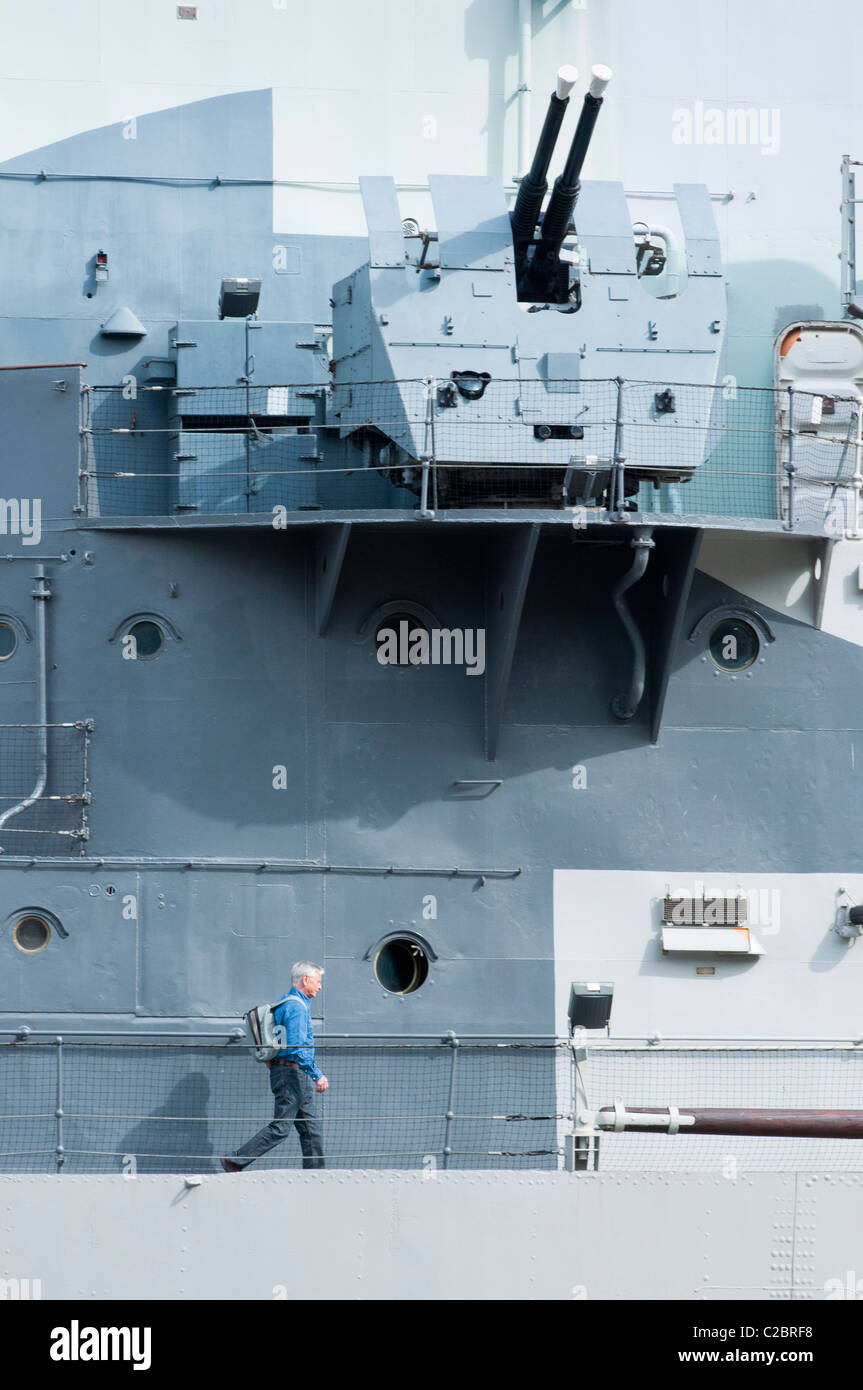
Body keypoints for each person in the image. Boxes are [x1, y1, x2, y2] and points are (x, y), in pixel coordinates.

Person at [221, 962, 328, 1171]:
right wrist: (317, 1075)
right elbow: (297, 1046)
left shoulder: (284, 1003)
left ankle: (317, 1174)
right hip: (292, 1073)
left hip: (290, 1071)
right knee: (281, 1128)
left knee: (311, 1129)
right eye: (318, 981)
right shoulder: (296, 1007)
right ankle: (235, 1160)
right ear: (306, 980)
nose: (320, 986)